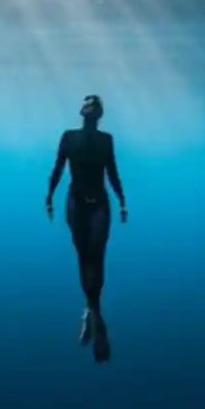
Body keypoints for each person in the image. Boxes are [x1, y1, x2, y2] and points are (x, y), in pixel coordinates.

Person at [46, 94, 127, 363]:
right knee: (85, 257)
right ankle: (93, 310)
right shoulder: (68, 137)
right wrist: (49, 195)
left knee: (95, 254)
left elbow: (112, 172)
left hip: (98, 204)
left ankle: (92, 310)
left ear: (97, 113)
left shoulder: (106, 140)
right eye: (87, 105)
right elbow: (58, 167)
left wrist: (122, 199)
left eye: (93, 106)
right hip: (77, 204)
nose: (89, 109)